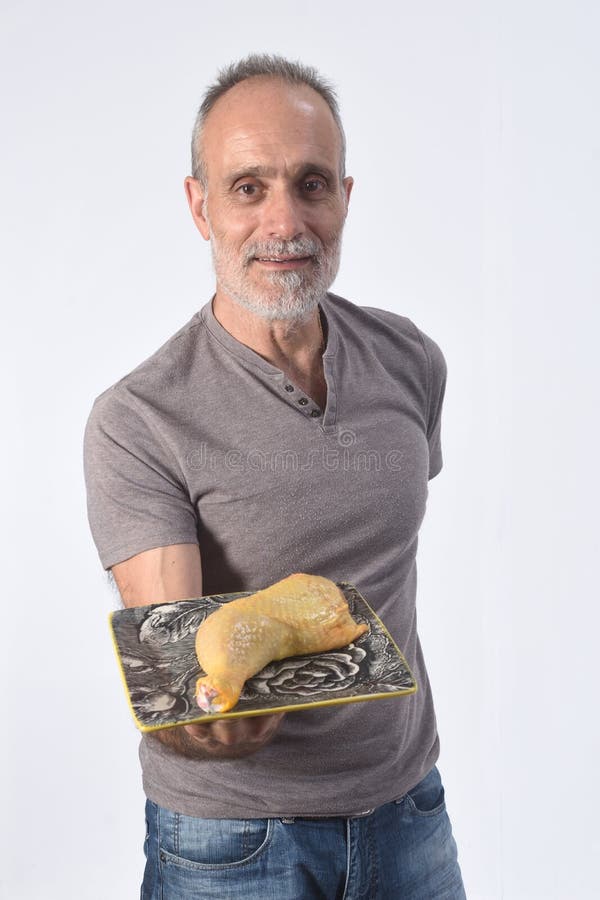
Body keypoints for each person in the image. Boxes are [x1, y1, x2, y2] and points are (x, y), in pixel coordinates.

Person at [83, 54, 466, 899]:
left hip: (411, 809)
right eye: (249, 187)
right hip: (237, 840)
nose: (285, 221)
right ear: (200, 206)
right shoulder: (141, 418)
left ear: (346, 199)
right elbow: (177, 662)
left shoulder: (409, 361)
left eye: (312, 184)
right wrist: (200, 721)